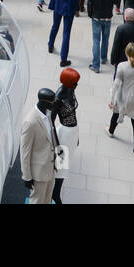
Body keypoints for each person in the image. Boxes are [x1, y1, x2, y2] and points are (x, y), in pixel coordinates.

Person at [20, 88, 59, 206]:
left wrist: (60, 161)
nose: (55, 104)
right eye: (52, 102)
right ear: (44, 102)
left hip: (50, 168)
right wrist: (26, 177)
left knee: (47, 199)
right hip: (38, 173)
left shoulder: (48, 113)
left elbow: (52, 137)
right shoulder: (30, 122)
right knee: (37, 201)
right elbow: (25, 152)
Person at [52, 69, 80, 204]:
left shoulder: (70, 91)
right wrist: (57, 144)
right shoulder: (59, 98)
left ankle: (55, 193)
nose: (77, 85)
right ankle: (55, 194)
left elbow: (73, 116)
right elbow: (51, 121)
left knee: (65, 164)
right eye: (75, 83)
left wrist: (77, 136)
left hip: (73, 131)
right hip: (65, 133)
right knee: (62, 166)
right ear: (69, 83)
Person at [46, 0, 80, 68]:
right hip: (68, 8)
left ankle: (50, 45)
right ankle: (63, 59)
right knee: (66, 33)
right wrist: (76, 9)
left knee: (55, 27)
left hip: (57, 5)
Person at [86, 0, 117, 73]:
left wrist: (90, 14)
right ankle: (103, 58)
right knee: (105, 38)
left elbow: (89, 4)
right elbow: (116, 2)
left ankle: (96, 65)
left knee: (96, 40)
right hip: (107, 16)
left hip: (96, 16)